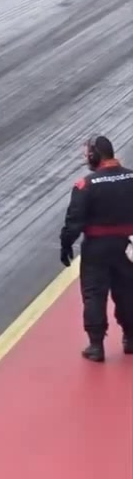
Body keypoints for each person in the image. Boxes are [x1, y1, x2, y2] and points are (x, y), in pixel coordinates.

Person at [60, 135, 133, 362]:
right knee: (128, 291)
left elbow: (74, 221)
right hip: (128, 245)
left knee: (94, 295)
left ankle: (96, 345)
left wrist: (66, 244)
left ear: (94, 156)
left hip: (97, 248)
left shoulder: (86, 185)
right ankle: (131, 338)